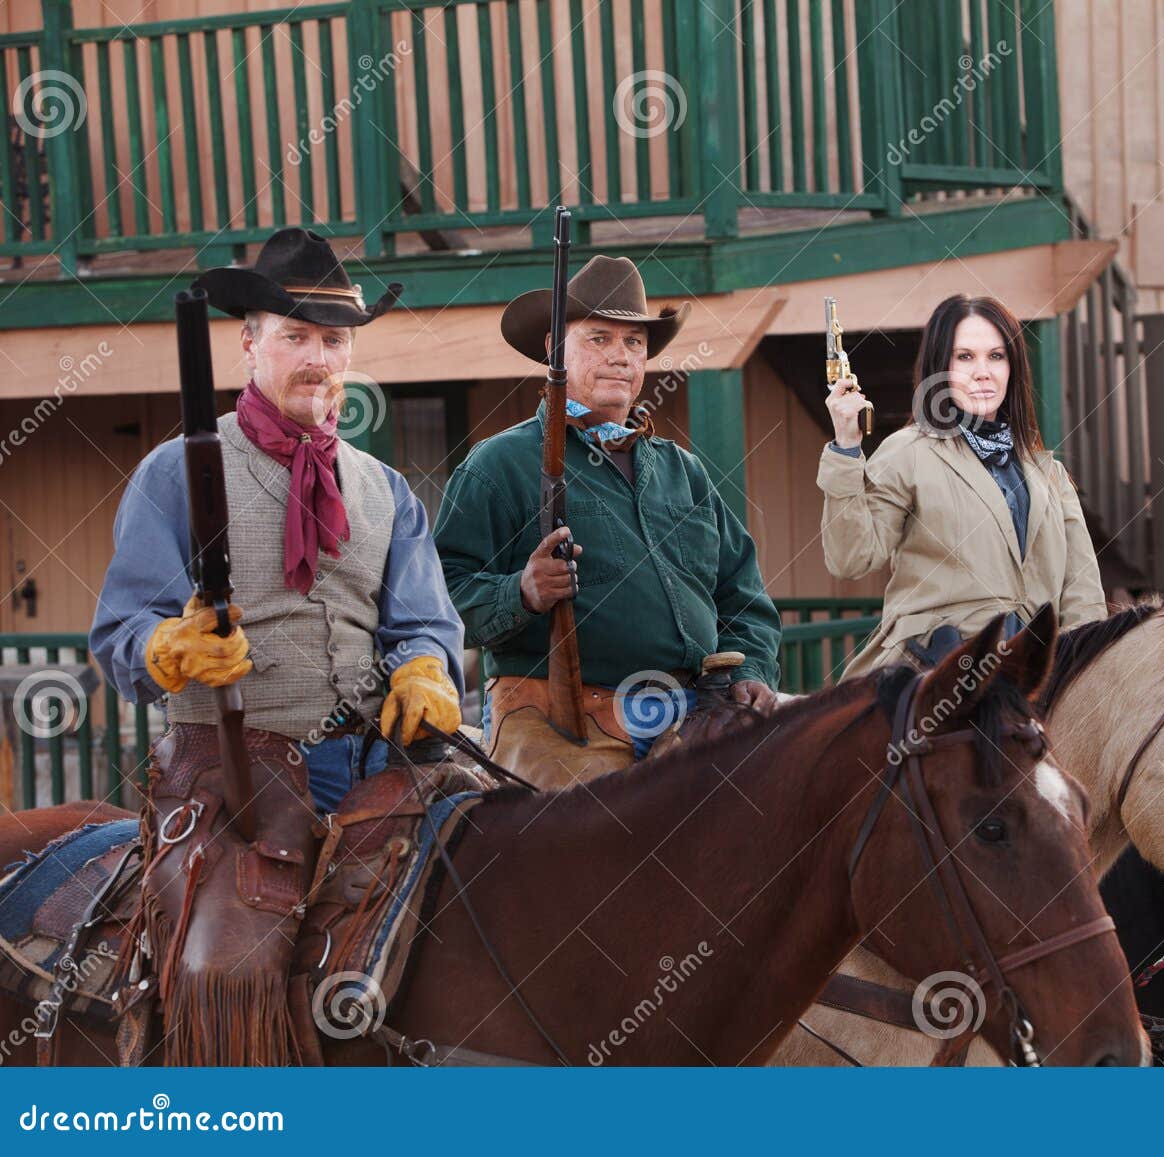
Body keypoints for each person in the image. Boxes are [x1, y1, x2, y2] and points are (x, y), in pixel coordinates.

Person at [88, 228, 465, 1064]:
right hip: (235, 773)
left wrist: (426, 665)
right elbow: (119, 631)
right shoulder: (173, 472)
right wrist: (173, 645)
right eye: (295, 335)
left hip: (383, 772)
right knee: (223, 969)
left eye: (334, 340)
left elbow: (424, 621)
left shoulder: (384, 488)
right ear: (249, 341)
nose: (317, 358)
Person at [433, 255, 782, 788]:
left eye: (634, 343)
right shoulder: (498, 465)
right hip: (554, 724)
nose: (620, 356)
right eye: (599, 338)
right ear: (554, 350)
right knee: (582, 849)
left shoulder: (682, 472)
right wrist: (522, 593)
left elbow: (744, 598)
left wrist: (754, 672)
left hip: (691, 717)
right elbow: (442, 596)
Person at [816, 293, 1105, 678]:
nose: (982, 371)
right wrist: (846, 449)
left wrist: (1084, 678)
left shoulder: (1047, 472)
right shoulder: (909, 451)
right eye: (964, 357)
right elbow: (851, 560)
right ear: (940, 367)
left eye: (996, 356)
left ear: (1013, 368)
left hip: (1036, 678)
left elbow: (1084, 598)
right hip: (936, 673)